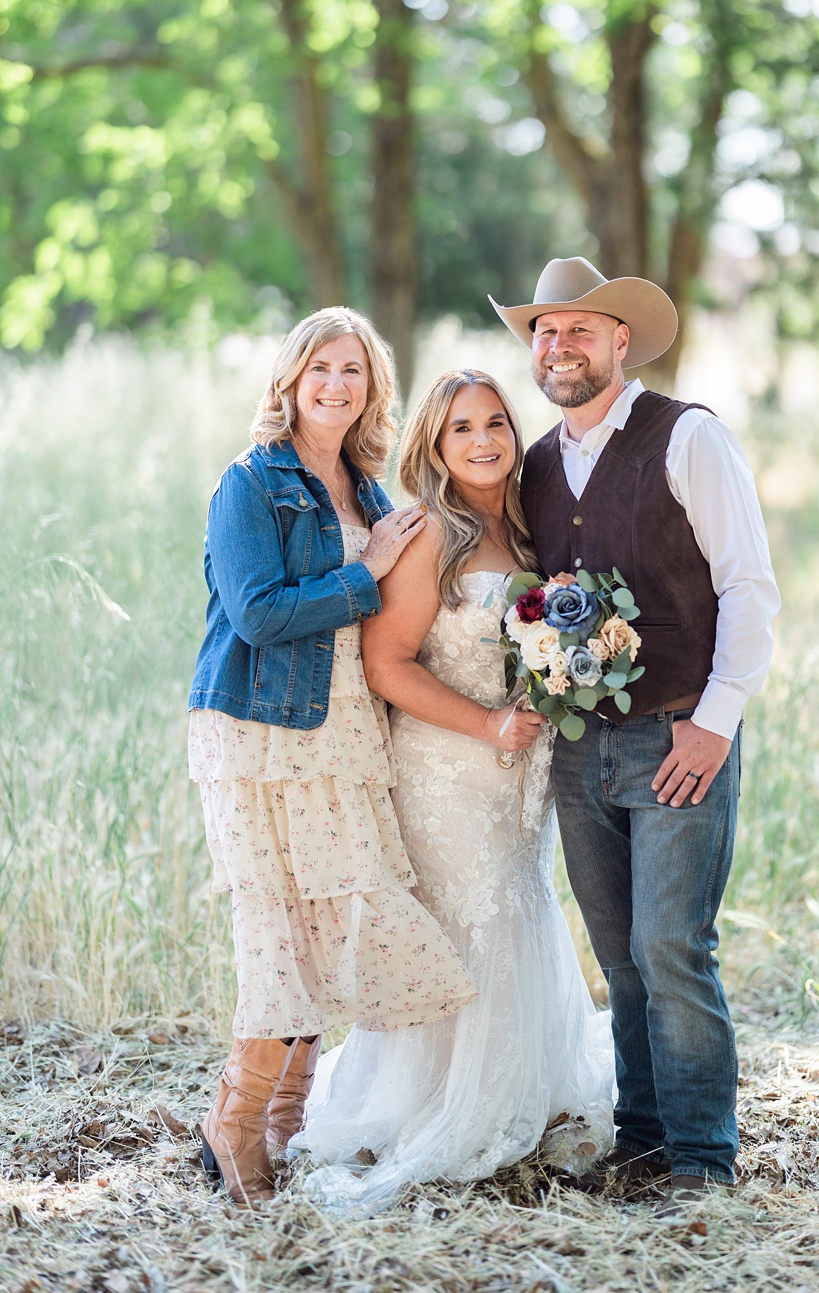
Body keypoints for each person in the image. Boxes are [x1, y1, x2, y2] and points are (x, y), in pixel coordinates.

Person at [490, 257, 780, 1210]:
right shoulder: (533, 463)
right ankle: (644, 1142)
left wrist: (716, 722)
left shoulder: (686, 436)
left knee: (671, 945)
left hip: (676, 736)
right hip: (580, 749)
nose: (559, 346)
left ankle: (702, 1160)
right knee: (618, 953)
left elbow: (748, 586)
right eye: (544, 330)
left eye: (579, 329)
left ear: (621, 342)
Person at [293, 369, 615, 1214]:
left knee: (520, 912)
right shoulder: (430, 534)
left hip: (521, 772)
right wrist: (486, 726)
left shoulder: (533, 533)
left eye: (496, 423)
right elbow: (385, 663)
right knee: (473, 925)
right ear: (434, 445)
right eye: (461, 428)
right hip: (445, 767)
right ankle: (447, 1105)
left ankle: (525, 1093)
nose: (482, 440)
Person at [188, 309, 476, 1207]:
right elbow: (259, 613)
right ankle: (235, 1129)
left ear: (371, 391)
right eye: (320, 368)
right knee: (279, 934)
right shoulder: (250, 482)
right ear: (290, 380)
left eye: (353, 371)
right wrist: (363, 575)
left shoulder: (373, 495)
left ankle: (286, 1123)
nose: (336, 385)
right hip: (261, 732)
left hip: (347, 734)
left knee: (337, 931)